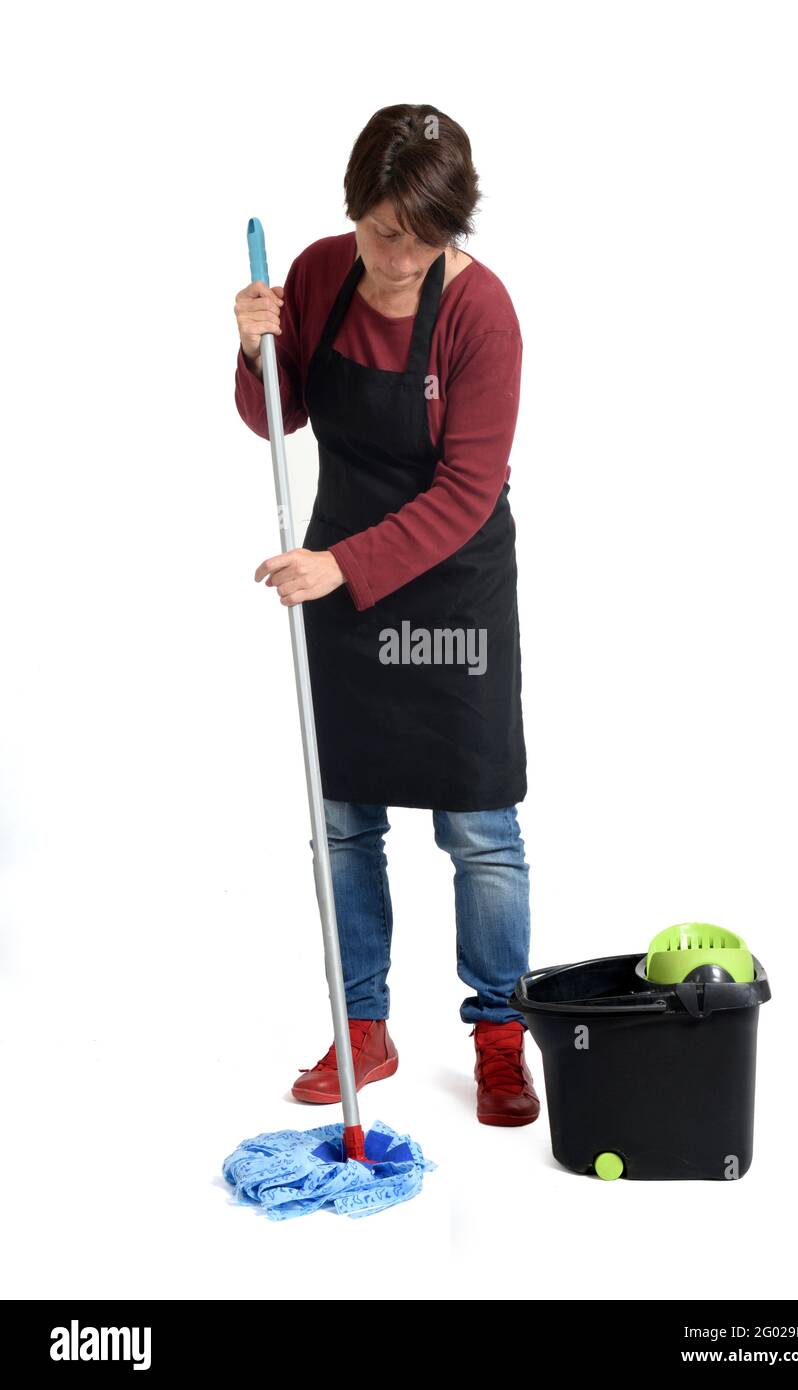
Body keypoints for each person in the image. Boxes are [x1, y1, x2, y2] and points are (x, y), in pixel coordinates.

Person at [233, 104, 538, 1127]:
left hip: (447, 591)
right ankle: (363, 1025)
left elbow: (464, 491)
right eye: (382, 229)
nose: (400, 255)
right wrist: (253, 353)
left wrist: (337, 568)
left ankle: (500, 1031)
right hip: (342, 581)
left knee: (479, 824)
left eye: (425, 236)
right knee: (343, 816)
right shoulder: (319, 275)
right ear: (354, 208)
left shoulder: (480, 314)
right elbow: (276, 418)